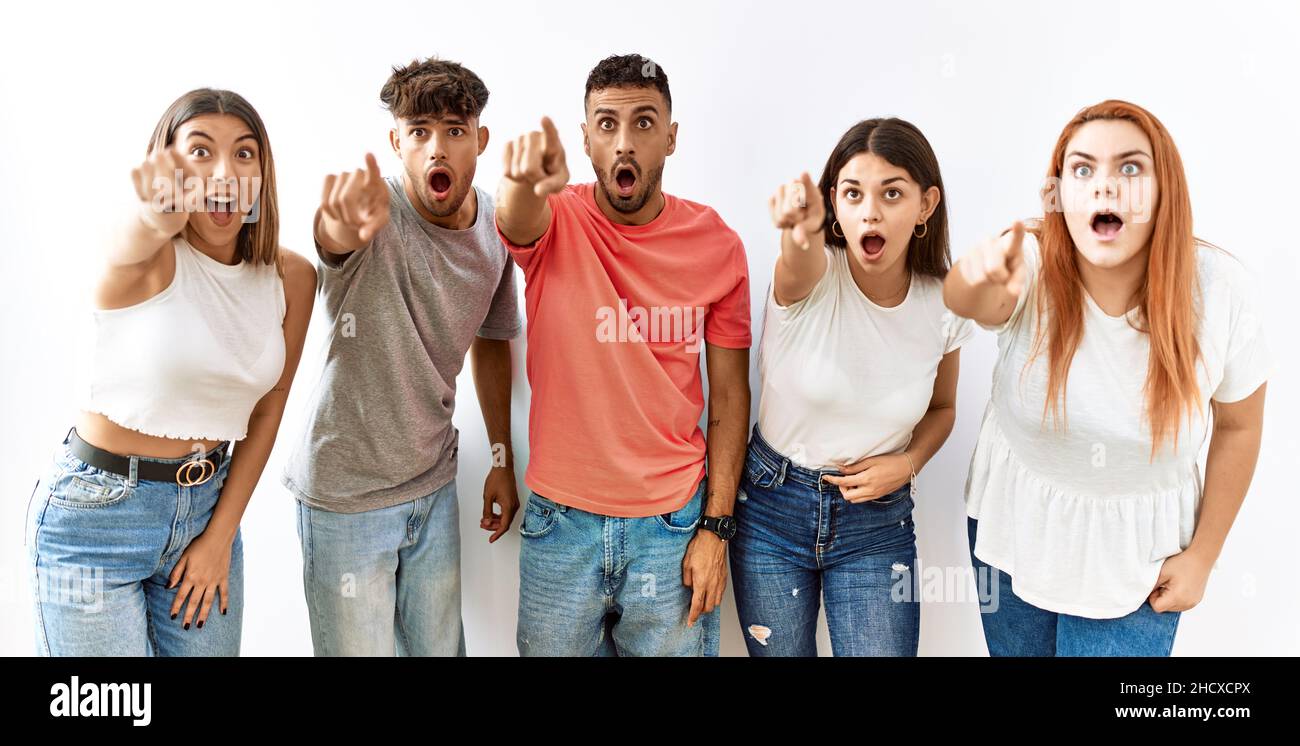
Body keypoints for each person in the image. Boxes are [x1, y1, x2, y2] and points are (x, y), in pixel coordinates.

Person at [944, 100, 1271, 656]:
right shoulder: (1029, 257)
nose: (1104, 186)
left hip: (1141, 557)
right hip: (1014, 527)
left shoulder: (1221, 292)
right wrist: (974, 275)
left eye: (1130, 167)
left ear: (1165, 188)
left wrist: (1204, 558)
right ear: (1060, 195)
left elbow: (1238, 426)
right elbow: (970, 300)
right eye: (1082, 169)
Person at [26, 88, 316, 656]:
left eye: (245, 153)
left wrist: (220, 534)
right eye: (200, 152)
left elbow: (269, 405)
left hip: (206, 507)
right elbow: (130, 236)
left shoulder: (291, 277)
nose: (225, 171)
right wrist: (154, 213)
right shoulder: (148, 259)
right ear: (170, 165)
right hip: (96, 520)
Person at [495, 54, 751, 656]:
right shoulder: (556, 217)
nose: (624, 142)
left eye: (643, 122)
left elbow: (732, 395)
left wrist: (716, 527)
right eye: (606, 124)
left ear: (671, 137)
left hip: (673, 526)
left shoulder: (717, 244)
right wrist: (526, 179)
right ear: (585, 137)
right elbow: (515, 220)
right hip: (561, 524)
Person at [281, 57, 522, 656]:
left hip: (432, 488)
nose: (436, 149)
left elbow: (493, 342)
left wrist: (500, 455)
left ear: (480, 141)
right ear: (396, 142)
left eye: (453, 131)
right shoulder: (373, 215)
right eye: (419, 132)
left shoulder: (498, 230)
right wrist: (336, 224)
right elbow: (334, 239)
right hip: (346, 499)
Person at [731, 118, 971, 656]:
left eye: (892, 193)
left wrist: (908, 463)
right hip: (773, 508)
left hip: (877, 523)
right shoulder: (813, 274)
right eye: (853, 193)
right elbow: (799, 257)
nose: (871, 211)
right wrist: (800, 228)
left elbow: (944, 408)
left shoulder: (944, 302)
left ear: (926, 205)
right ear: (833, 204)